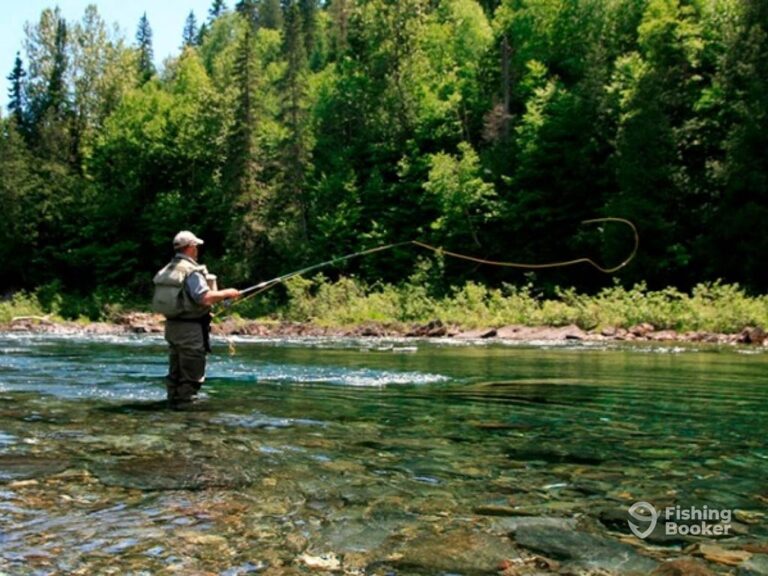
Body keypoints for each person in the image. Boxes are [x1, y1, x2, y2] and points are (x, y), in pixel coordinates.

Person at [152, 230, 240, 408]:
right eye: (196, 246)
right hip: (190, 330)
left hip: (172, 327)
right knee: (192, 371)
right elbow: (204, 298)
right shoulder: (191, 271)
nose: (198, 249)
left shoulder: (169, 269)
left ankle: (172, 404)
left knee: (175, 371)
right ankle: (187, 407)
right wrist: (227, 293)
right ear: (191, 247)